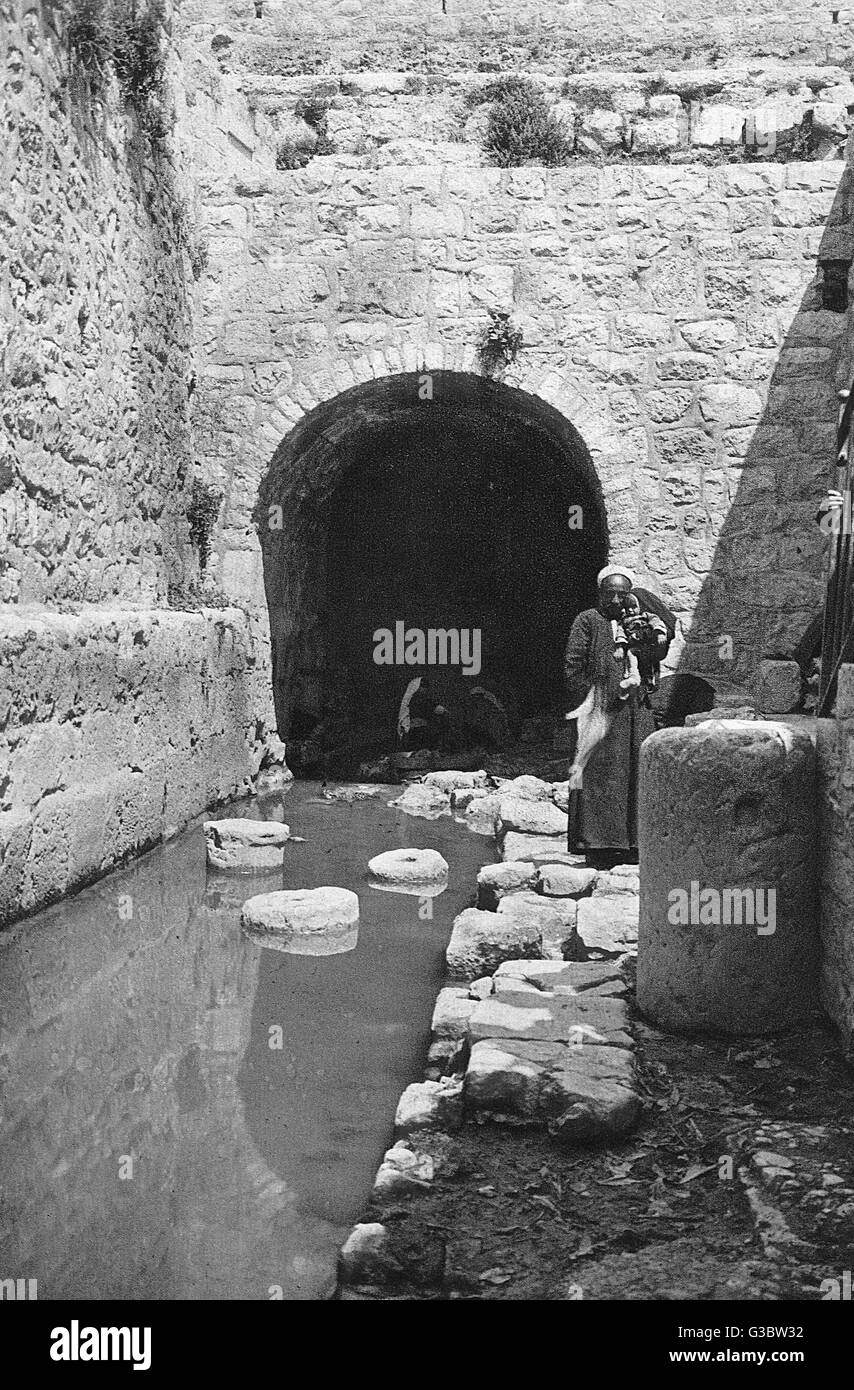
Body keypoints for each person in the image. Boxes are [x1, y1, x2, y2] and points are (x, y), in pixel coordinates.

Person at [563, 565, 671, 867]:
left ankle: (633, 844)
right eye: (609, 594)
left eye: (622, 594)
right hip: (599, 711)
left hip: (635, 711)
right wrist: (592, 698)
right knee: (598, 773)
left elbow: (657, 652)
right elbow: (573, 665)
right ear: (600, 594)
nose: (615, 600)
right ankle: (597, 845)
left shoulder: (638, 619)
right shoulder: (588, 620)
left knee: (635, 771)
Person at [396, 675, 449, 751]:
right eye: (422, 687)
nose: (424, 690)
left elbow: (433, 709)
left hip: (424, 730)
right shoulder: (413, 700)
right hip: (416, 732)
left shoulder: (424, 699)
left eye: (425, 687)